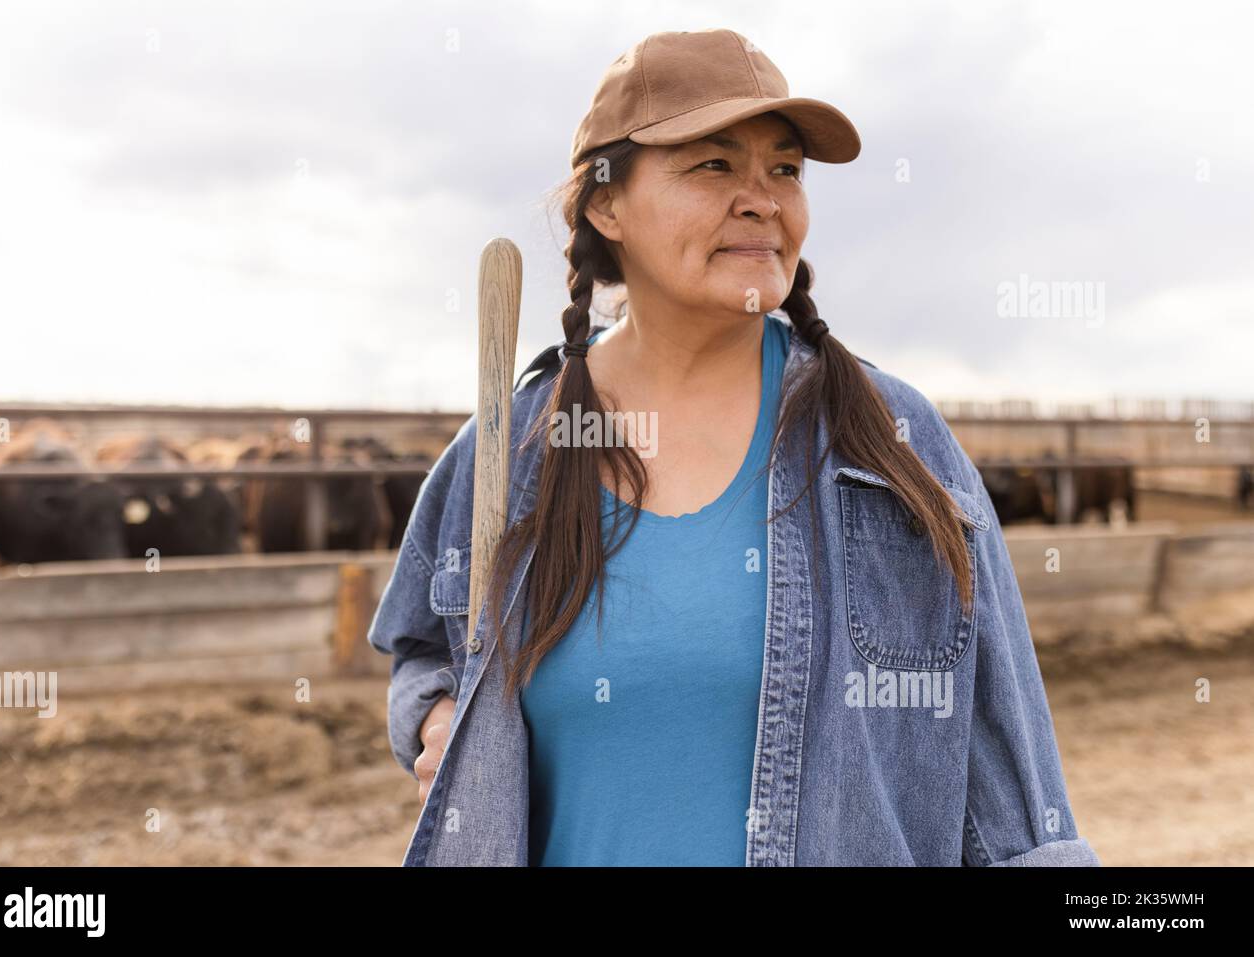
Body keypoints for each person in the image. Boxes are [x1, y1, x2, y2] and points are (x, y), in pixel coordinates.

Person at [369, 27, 1101, 867]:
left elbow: (1015, 789)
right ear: (606, 204)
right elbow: (425, 650)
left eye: (784, 169)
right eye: (713, 165)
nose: (763, 198)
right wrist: (437, 721)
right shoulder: (507, 452)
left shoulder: (894, 445)